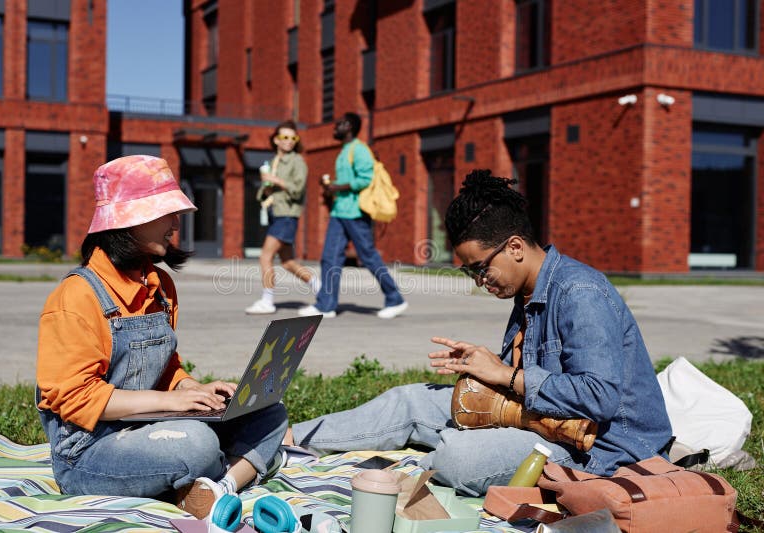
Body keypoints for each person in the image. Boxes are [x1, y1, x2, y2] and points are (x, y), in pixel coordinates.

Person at [286, 169, 672, 496]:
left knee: (460, 457)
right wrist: (483, 367)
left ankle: (404, 475)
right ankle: (287, 439)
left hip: (603, 447)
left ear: (515, 247)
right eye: (470, 272)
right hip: (543, 419)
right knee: (410, 400)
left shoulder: (580, 293)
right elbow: (532, 377)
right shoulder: (527, 289)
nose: (479, 280)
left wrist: (504, 375)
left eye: (480, 268)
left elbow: (599, 397)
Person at [35, 155, 288, 518]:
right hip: (89, 452)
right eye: (165, 211)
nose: (175, 222)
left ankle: (217, 489)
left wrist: (194, 390)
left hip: (153, 428)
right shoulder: (75, 297)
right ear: (127, 221)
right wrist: (174, 405)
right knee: (197, 443)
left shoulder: (161, 286)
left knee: (270, 412)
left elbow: (165, 368)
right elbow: (75, 398)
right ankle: (218, 471)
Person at [298, 112, 408, 319]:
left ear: (349, 127)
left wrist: (337, 186)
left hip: (356, 213)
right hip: (340, 211)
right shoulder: (345, 150)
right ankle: (326, 305)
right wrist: (332, 189)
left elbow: (365, 178)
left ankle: (395, 299)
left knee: (368, 256)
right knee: (330, 258)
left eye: (339, 124)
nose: (335, 127)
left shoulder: (359, 149)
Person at [246, 120, 320, 315]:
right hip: (275, 213)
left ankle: (267, 301)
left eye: (293, 137)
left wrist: (276, 180)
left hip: (286, 215)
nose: (289, 141)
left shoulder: (297, 161)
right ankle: (320, 288)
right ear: (276, 140)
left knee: (265, 257)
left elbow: (297, 190)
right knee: (287, 262)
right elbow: (264, 191)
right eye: (284, 137)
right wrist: (266, 188)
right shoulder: (272, 162)